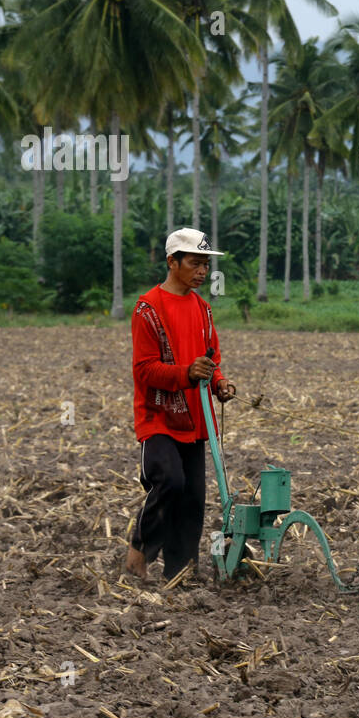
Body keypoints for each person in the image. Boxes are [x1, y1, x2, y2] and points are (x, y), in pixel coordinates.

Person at [125, 228, 236, 582]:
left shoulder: (203, 310)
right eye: (195, 263)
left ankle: (181, 571)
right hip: (158, 416)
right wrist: (186, 374)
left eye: (206, 264)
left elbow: (211, 357)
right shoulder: (148, 309)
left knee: (192, 499)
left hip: (196, 418)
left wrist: (219, 383)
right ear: (173, 262)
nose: (203, 271)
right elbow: (144, 370)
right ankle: (138, 553)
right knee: (169, 481)